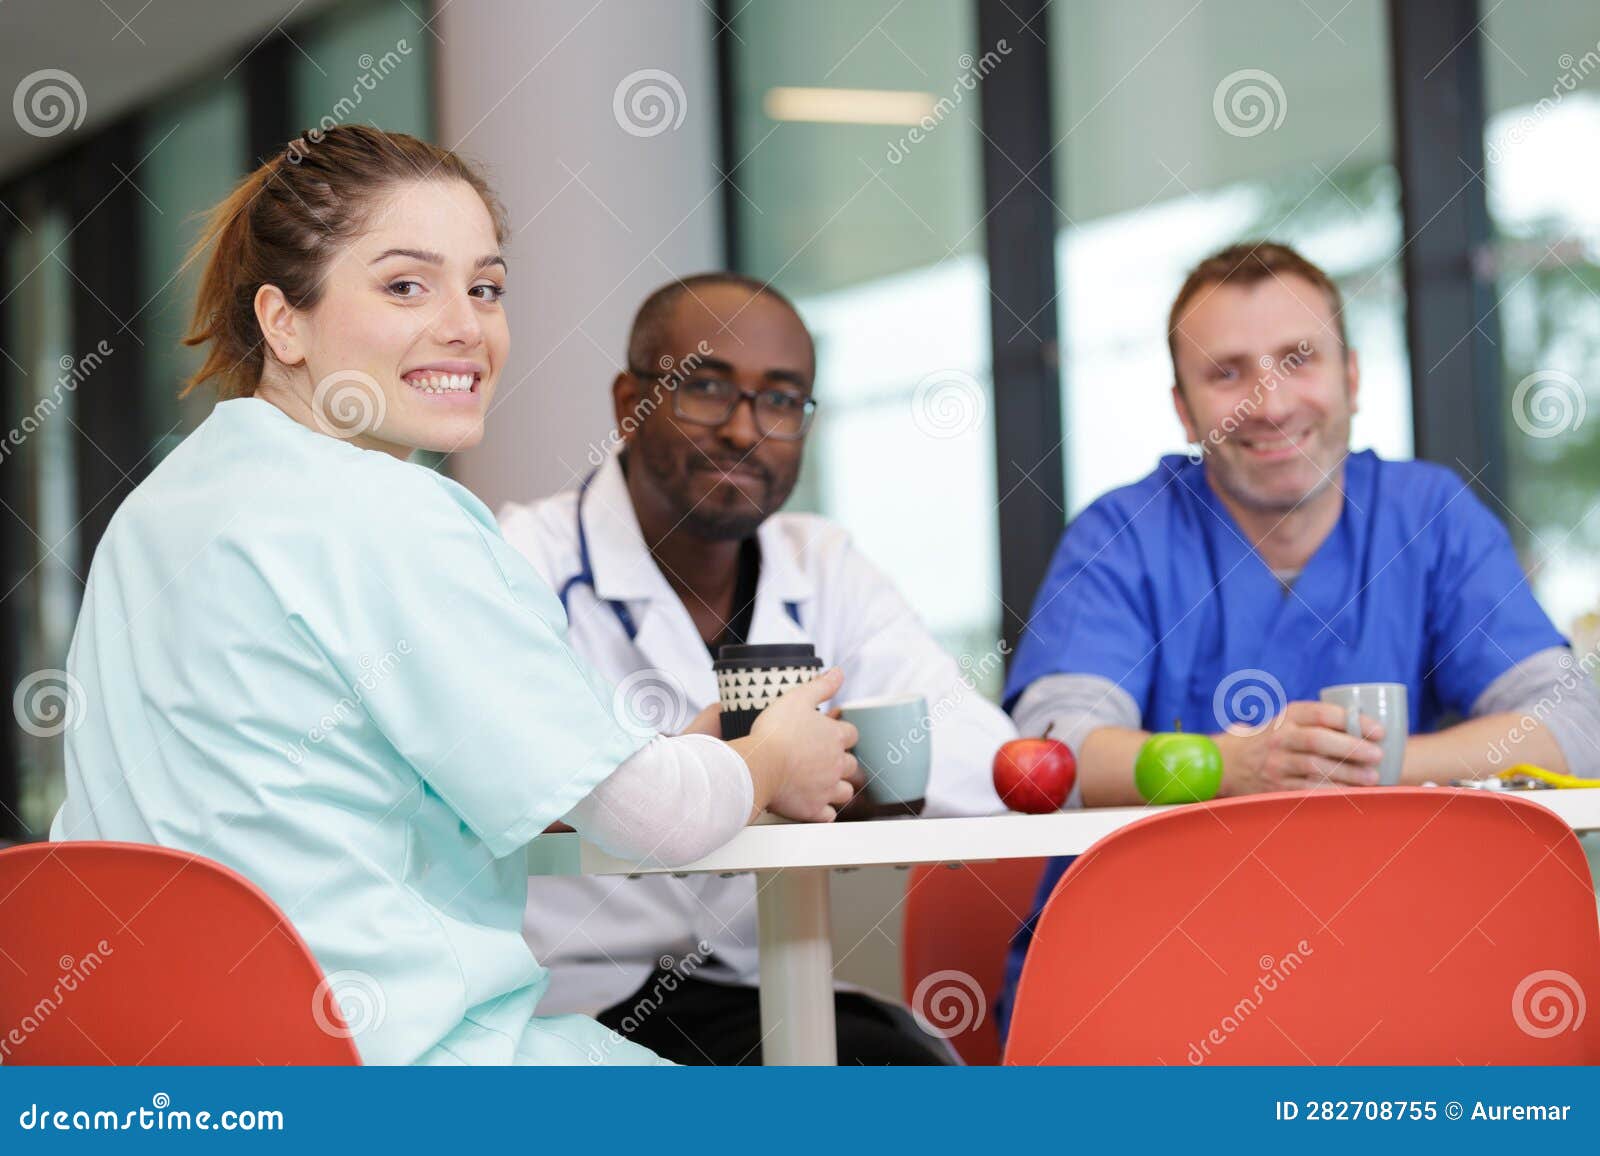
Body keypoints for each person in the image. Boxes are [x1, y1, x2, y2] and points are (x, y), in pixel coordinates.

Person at [49, 127, 860, 1066]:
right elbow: (656, 822)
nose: (466, 327)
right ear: (283, 322)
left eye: (485, 288)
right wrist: (775, 758)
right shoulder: (392, 512)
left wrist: (660, 759)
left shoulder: (158, 510)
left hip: (148, 1081)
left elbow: (313, 786)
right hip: (389, 1077)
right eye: (405, 286)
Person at [995, 240, 1600, 1039]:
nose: (1269, 403)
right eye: (1227, 372)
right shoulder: (1123, 535)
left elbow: (1577, 727)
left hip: (1394, 980)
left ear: (1352, 375)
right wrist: (1233, 765)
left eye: (1298, 359)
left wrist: (1357, 771)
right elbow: (1054, 756)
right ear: (1184, 409)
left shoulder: (1430, 518)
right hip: (1145, 984)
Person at [499, 272, 1015, 1065]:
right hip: (570, 997)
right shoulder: (520, 561)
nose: (745, 429)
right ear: (629, 402)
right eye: (706, 387)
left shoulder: (824, 564)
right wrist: (766, 767)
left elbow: (983, 758)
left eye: (780, 399)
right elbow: (509, 786)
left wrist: (819, 765)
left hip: (759, 981)